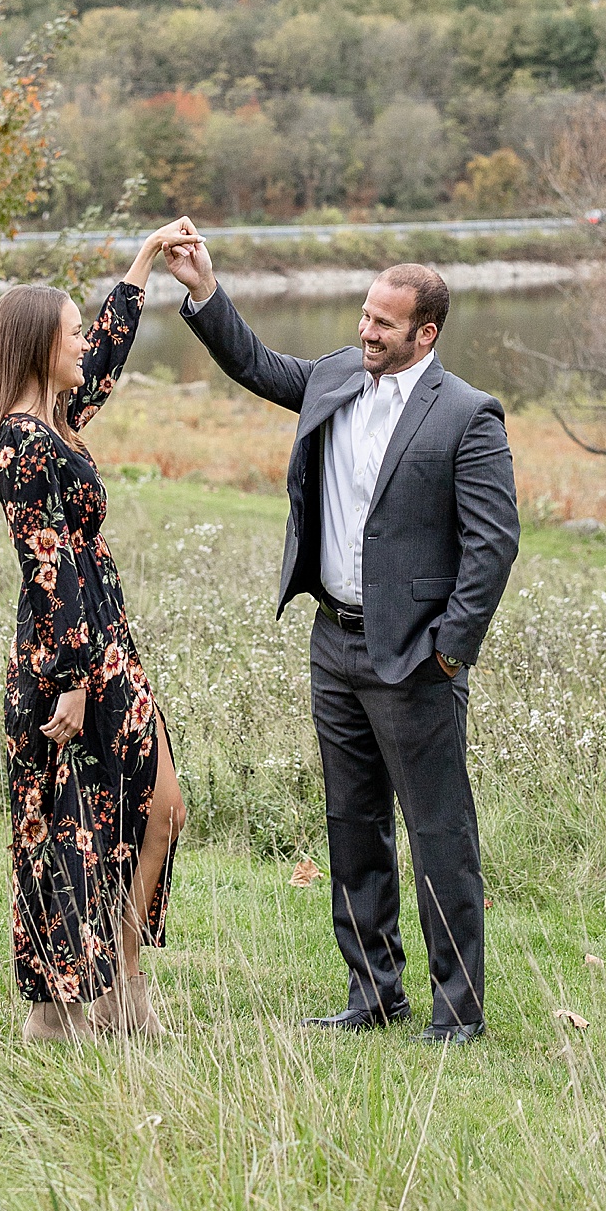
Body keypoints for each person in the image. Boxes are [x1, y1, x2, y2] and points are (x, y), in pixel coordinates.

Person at [162, 231, 519, 1045]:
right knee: (353, 826)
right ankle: (373, 993)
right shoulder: (332, 377)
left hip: (416, 660)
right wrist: (205, 290)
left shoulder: (467, 416)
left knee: (438, 836)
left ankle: (458, 1013)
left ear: (424, 334)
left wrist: (449, 650)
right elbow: (256, 364)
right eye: (364, 314)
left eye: (384, 323)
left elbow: (494, 544)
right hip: (334, 643)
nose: (366, 331)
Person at [0, 225, 193, 1041]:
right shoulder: (19, 444)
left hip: (105, 645)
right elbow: (45, 563)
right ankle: (57, 1011)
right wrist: (69, 678)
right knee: (63, 824)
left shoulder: (58, 420)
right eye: (69, 333)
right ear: (37, 349)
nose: (82, 345)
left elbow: (105, 358)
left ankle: (124, 986)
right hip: (66, 657)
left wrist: (140, 267)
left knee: (154, 808)